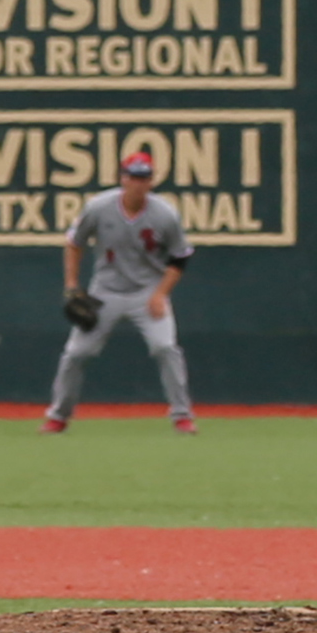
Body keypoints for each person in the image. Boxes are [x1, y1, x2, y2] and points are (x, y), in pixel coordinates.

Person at [41, 150, 198, 435]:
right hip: (106, 292)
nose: (138, 183)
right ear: (122, 179)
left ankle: (182, 417)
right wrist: (72, 285)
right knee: (76, 353)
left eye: (144, 177)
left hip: (148, 291)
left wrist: (161, 293)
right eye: (133, 176)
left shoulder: (164, 214)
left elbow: (180, 257)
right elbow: (74, 242)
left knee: (165, 348)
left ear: (152, 181)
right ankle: (58, 417)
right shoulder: (99, 207)